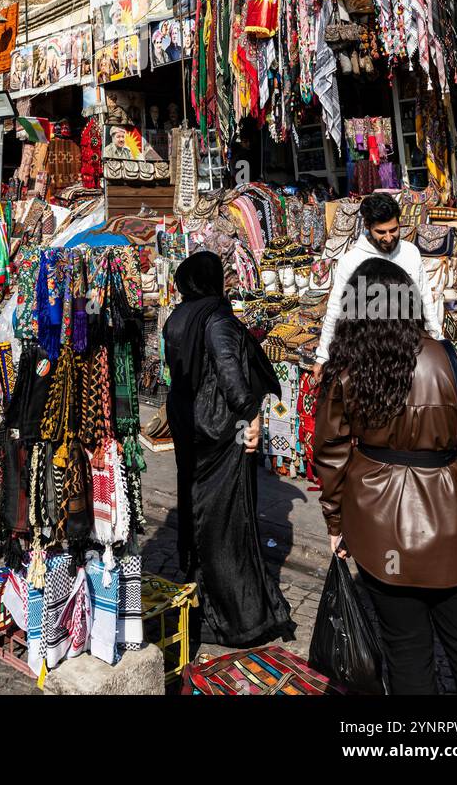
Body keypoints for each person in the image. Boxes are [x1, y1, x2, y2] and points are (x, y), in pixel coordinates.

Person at [313, 257, 457, 696]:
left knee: (406, 651)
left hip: (377, 532)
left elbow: (330, 456)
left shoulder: (346, 372)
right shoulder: (450, 360)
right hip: (453, 529)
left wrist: (336, 523)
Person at [163, 250, 293, 647]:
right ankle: (237, 614)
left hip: (189, 425)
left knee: (198, 505)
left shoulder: (180, 316)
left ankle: (202, 594)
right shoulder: (216, 318)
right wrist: (250, 415)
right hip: (219, 430)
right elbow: (229, 372)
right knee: (225, 515)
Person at [313, 192, 442, 379]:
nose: (389, 238)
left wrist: (437, 338)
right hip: (371, 355)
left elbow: (425, 298)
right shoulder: (351, 261)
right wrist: (323, 356)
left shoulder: (411, 253)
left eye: (394, 230)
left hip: (411, 349)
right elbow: (336, 309)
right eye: (381, 232)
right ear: (367, 227)